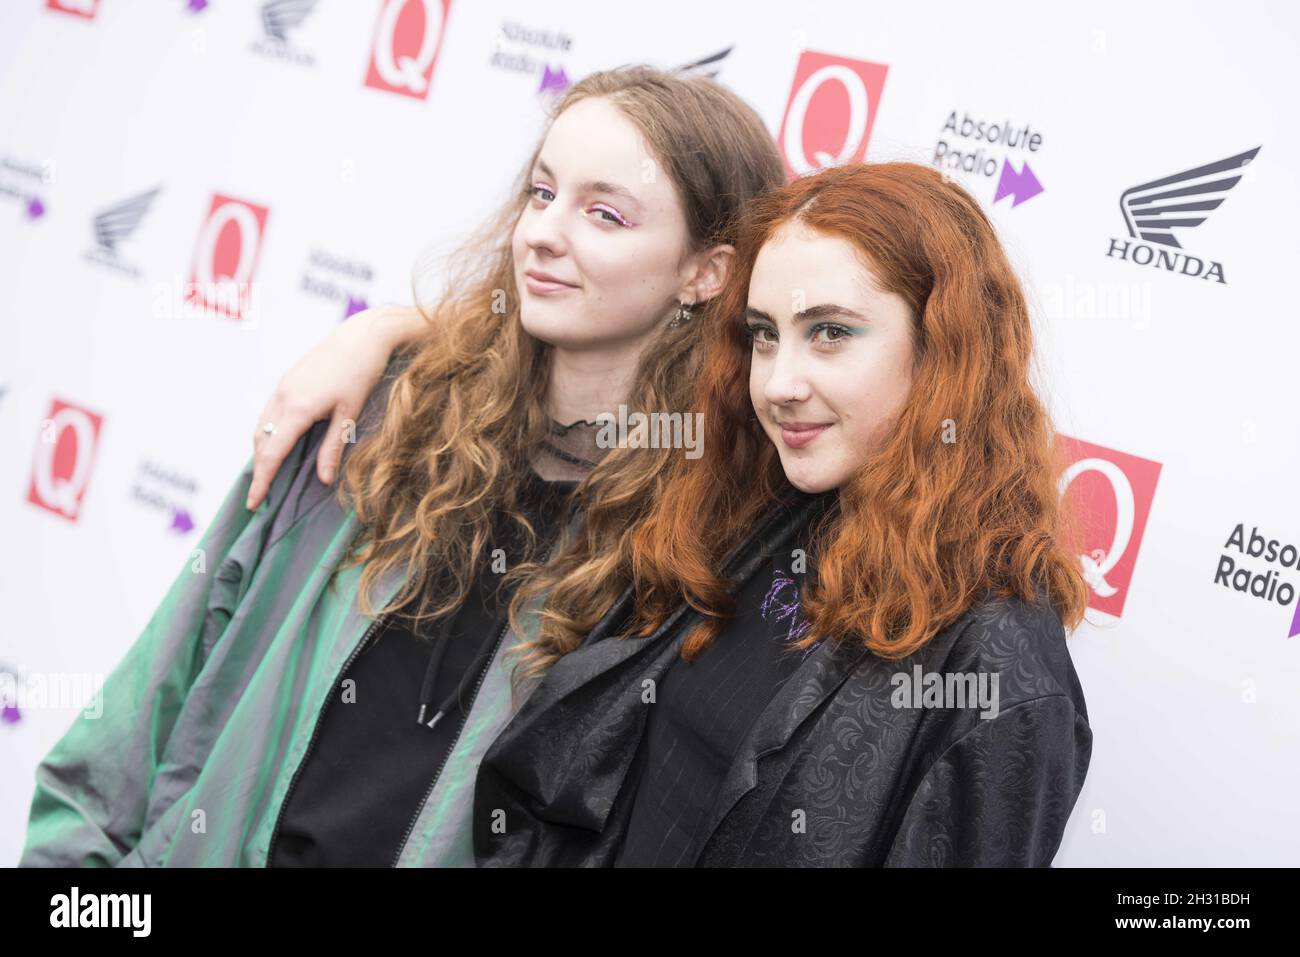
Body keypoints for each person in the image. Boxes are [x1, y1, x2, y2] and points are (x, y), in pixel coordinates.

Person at [18, 65, 785, 867]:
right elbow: (146, 706)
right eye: (541, 192)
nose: (545, 233)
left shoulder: (690, 550)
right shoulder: (381, 420)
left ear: (708, 273)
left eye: (603, 213)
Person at [471, 161, 1094, 866]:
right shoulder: (755, 510)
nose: (778, 383)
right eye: (764, 335)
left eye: (829, 332)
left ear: (943, 350)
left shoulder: (1001, 667)